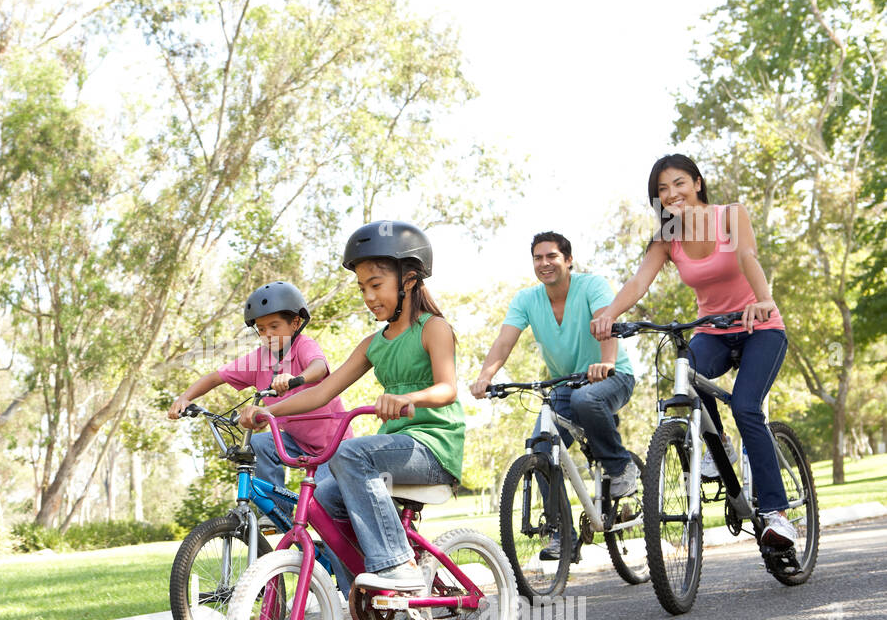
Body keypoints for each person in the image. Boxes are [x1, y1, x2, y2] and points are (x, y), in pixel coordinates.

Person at [240, 220, 462, 592]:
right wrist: (269, 411)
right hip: (393, 449)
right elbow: (321, 392)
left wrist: (408, 398)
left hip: (433, 447)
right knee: (322, 501)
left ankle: (396, 564)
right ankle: (362, 593)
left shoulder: (433, 328)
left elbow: (447, 389)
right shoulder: (373, 343)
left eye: (376, 285)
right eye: (362, 288)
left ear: (408, 280)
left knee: (347, 455)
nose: (369, 296)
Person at [590, 153, 797, 550]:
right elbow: (638, 282)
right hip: (714, 331)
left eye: (679, 183)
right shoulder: (668, 237)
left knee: (747, 407)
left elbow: (747, 257)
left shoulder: (729, 216)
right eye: (662, 190)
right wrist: (610, 315)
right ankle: (719, 444)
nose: (672, 194)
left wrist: (764, 300)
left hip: (760, 327)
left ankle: (776, 514)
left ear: (697, 183)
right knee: (688, 366)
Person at [470, 231, 640, 557]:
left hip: (613, 376)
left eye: (552, 256)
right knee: (542, 449)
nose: (544, 263)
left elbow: (607, 322)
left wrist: (606, 362)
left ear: (568, 260)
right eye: (538, 258)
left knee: (586, 399)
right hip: (566, 383)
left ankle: (620, 467)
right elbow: (505, 341)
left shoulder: (591, 286)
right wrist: (485, 377)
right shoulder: (526, 300)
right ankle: (564, 536)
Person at [167, 281, 349, 490]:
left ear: (296, 323)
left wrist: (297, 379)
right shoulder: (259, 359)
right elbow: (214, 377)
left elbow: (318, 366)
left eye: (274, 326)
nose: (267, 334)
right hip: (296, 441)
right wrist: (185, 397)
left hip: (334, 445)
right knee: (257, 445)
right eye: (261, 329)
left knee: (323, 498)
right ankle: (275, 516)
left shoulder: (303, 346)